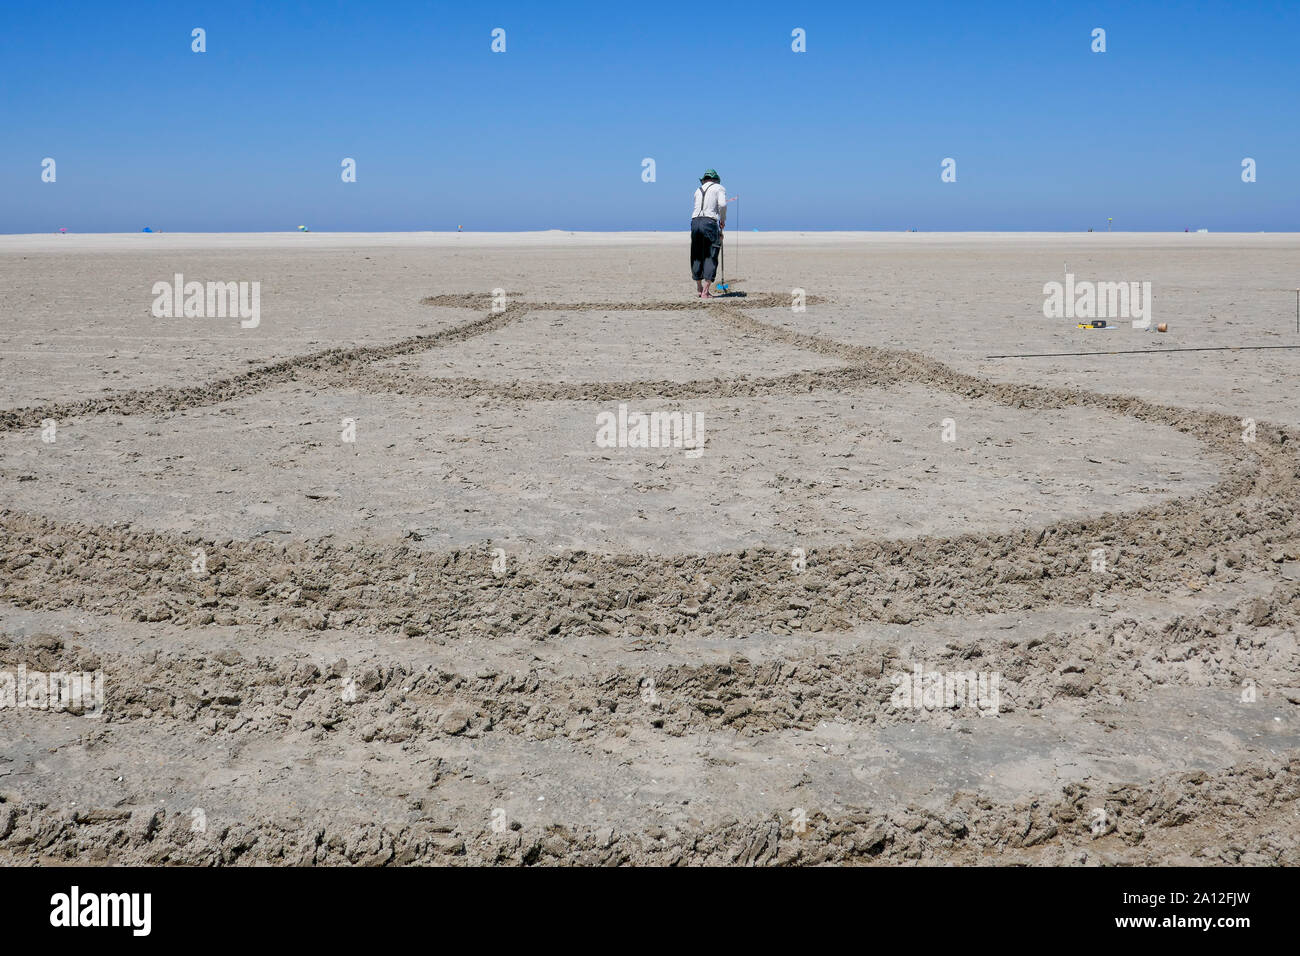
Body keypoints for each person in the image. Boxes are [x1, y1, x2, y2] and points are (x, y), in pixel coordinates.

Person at [690, 169, 726, 298]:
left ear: (704, 180)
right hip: (709, 222)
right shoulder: (719, 187)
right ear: (716, 179)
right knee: (711, 254)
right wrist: (722, 220)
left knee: (697, 254)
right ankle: (705, 291)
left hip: (695, 222)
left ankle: (699, 288)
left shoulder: (697, 190)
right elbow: (722, 204)